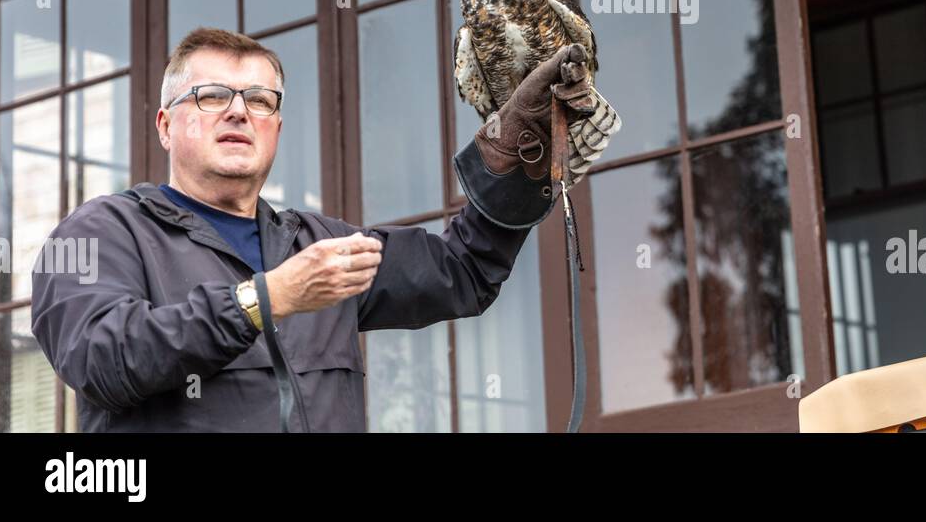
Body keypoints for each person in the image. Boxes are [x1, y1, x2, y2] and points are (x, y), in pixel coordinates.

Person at [30, 26, 607, 431]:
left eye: (259, 99)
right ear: (165, 124)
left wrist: (516, 162)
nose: (238, 112)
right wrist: (265, 298)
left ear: (277, 126)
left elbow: (462, 271)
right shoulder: (105, 233)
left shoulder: (317, 246)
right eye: (210, 96)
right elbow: (100, 359)